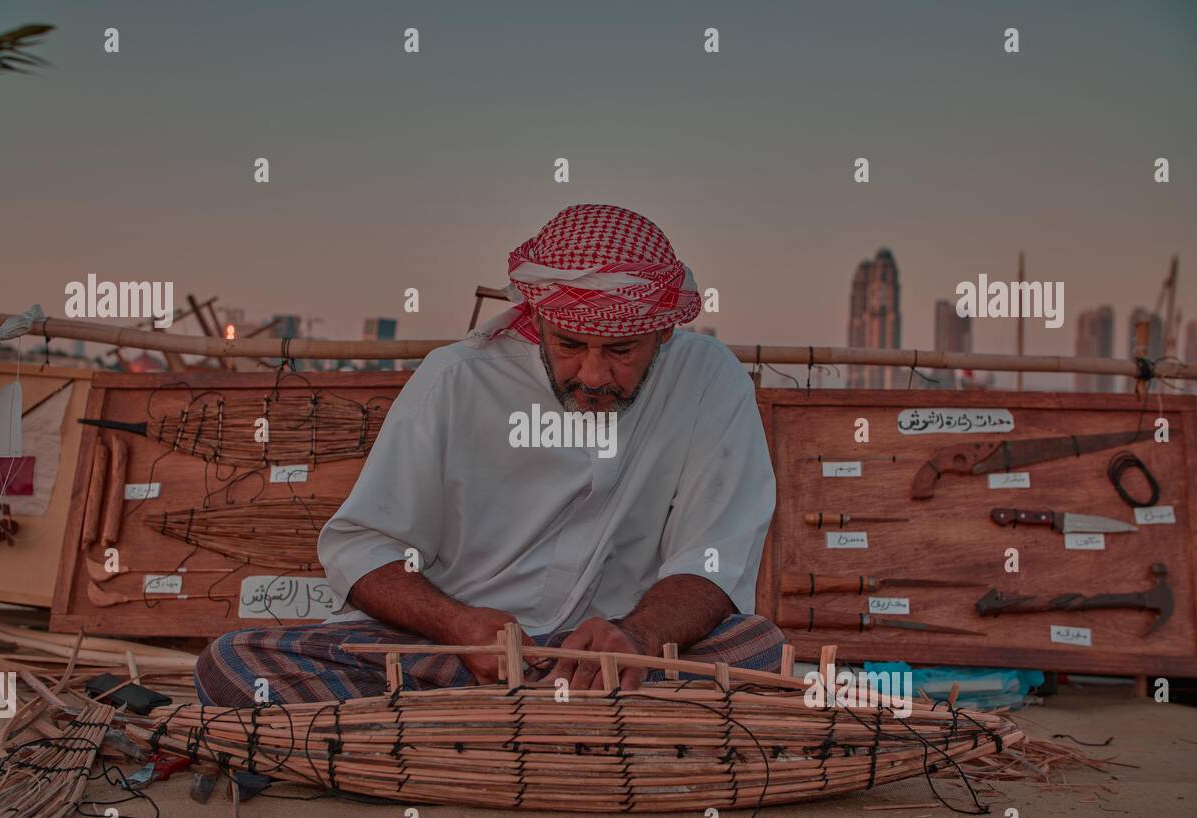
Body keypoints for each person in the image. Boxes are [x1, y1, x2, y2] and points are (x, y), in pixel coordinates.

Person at [194, 203, 784, 706]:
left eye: (621, 351)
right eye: (571, 345)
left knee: (758, 649)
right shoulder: (457, 379)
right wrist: (459, 625)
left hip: (610, 668)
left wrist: (636, 637)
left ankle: (466, 731)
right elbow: (362, 546)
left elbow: (715, 555)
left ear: (663, 333)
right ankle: (563, 736)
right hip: (454, 657)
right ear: (538, 321)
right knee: (234, 663)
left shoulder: (709, 379)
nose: (593, 374)